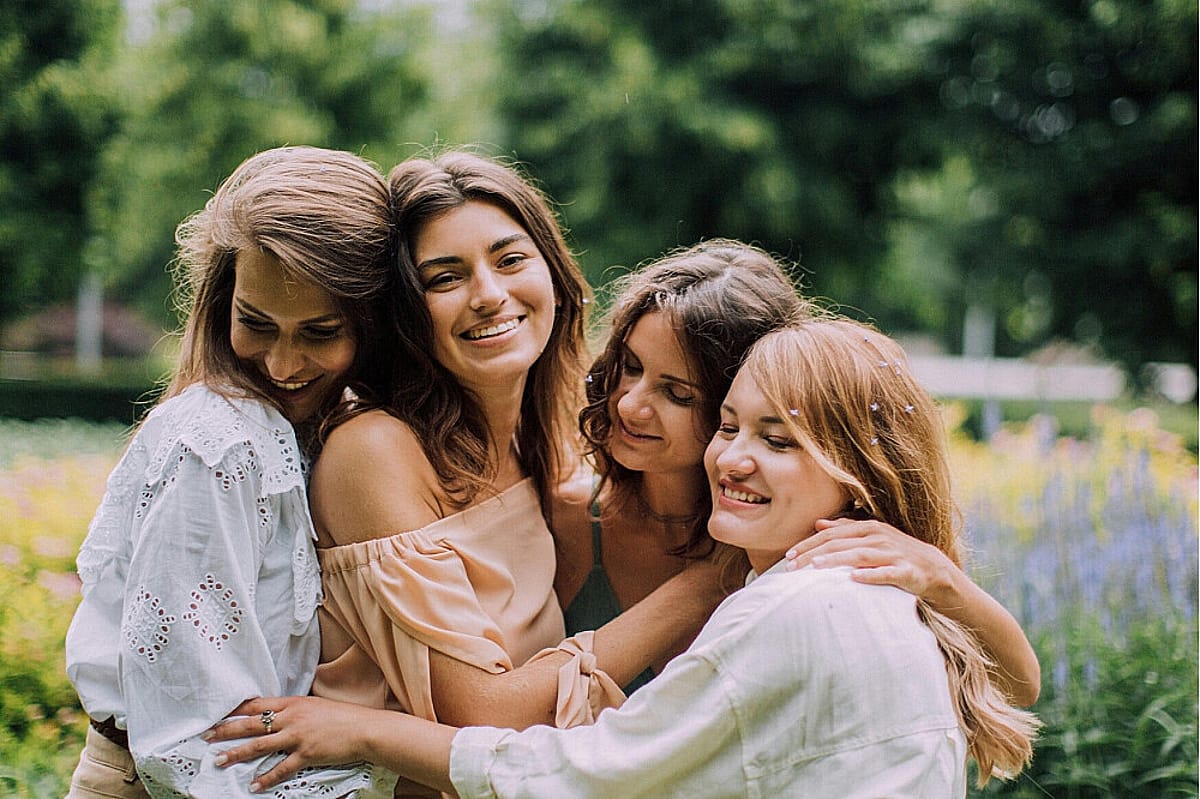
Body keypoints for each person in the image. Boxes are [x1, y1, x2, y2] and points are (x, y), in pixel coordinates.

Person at [206, 314, 1041, 797]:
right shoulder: (860, 584)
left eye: (778, 439)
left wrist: (363, 731)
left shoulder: (805, 604)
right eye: (732, 425)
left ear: (858, 470)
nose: (732, 456)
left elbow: (576, 776)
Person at [301, 150, 724, 779]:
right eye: (445, 278)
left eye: (510, 260)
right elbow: (483, 716)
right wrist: (709, 582)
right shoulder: (377, 450)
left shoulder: (543, 440)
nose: (489, 295)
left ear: (552, 272)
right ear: (406, 313)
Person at [552, 238, 1040, 703]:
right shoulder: (563, 521)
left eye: (678, 393)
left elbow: (1016, 686)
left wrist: (941, 575)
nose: (630, 404)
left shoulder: (803, 540)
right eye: (631, 366)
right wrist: (703, 585)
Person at [63, 145, 398, 798]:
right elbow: (195, 739)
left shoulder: (339, 427)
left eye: (320, 331)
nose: (281, 363)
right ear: (222, 301)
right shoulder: (216, 441)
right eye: (256, 323)